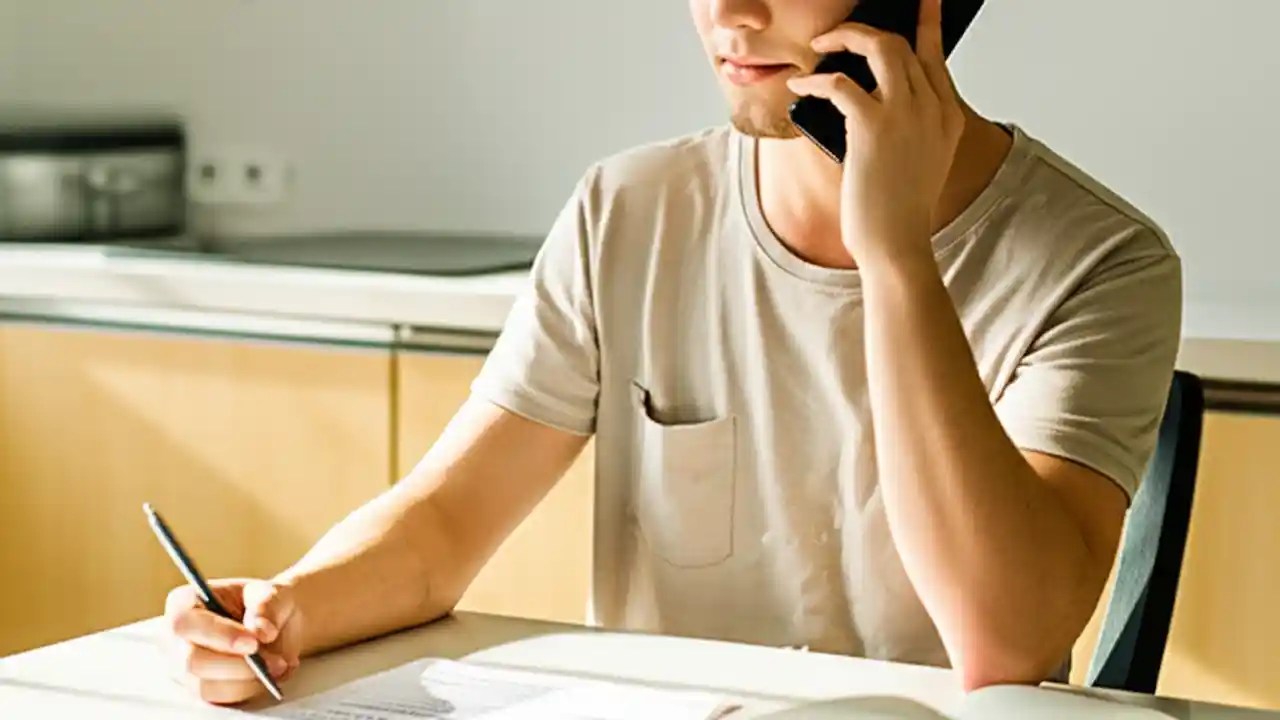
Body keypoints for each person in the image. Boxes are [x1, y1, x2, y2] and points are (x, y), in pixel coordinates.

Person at [162, 0, 1182, 704]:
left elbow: (1001, 643)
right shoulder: (628, 209)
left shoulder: (1100, 261)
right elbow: (443, 523)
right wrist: (291, 606)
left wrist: (894, 254)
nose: (726, 17)